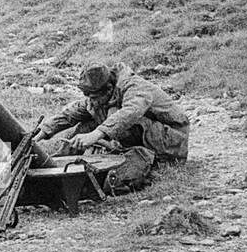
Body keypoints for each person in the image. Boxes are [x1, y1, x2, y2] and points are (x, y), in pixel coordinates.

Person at [34, 60, 191, 192]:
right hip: (147, 136)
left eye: (93, 96)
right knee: (85, 125)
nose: (90, 100)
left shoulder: (134, 87)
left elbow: (131, 112)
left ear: (108, 89)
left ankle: (144, 160)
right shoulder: (103, 94)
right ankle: (56, 170)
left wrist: (96, 134)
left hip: (171, 140)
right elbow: (72, 113)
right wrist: (41, 133)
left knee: (118, 116)